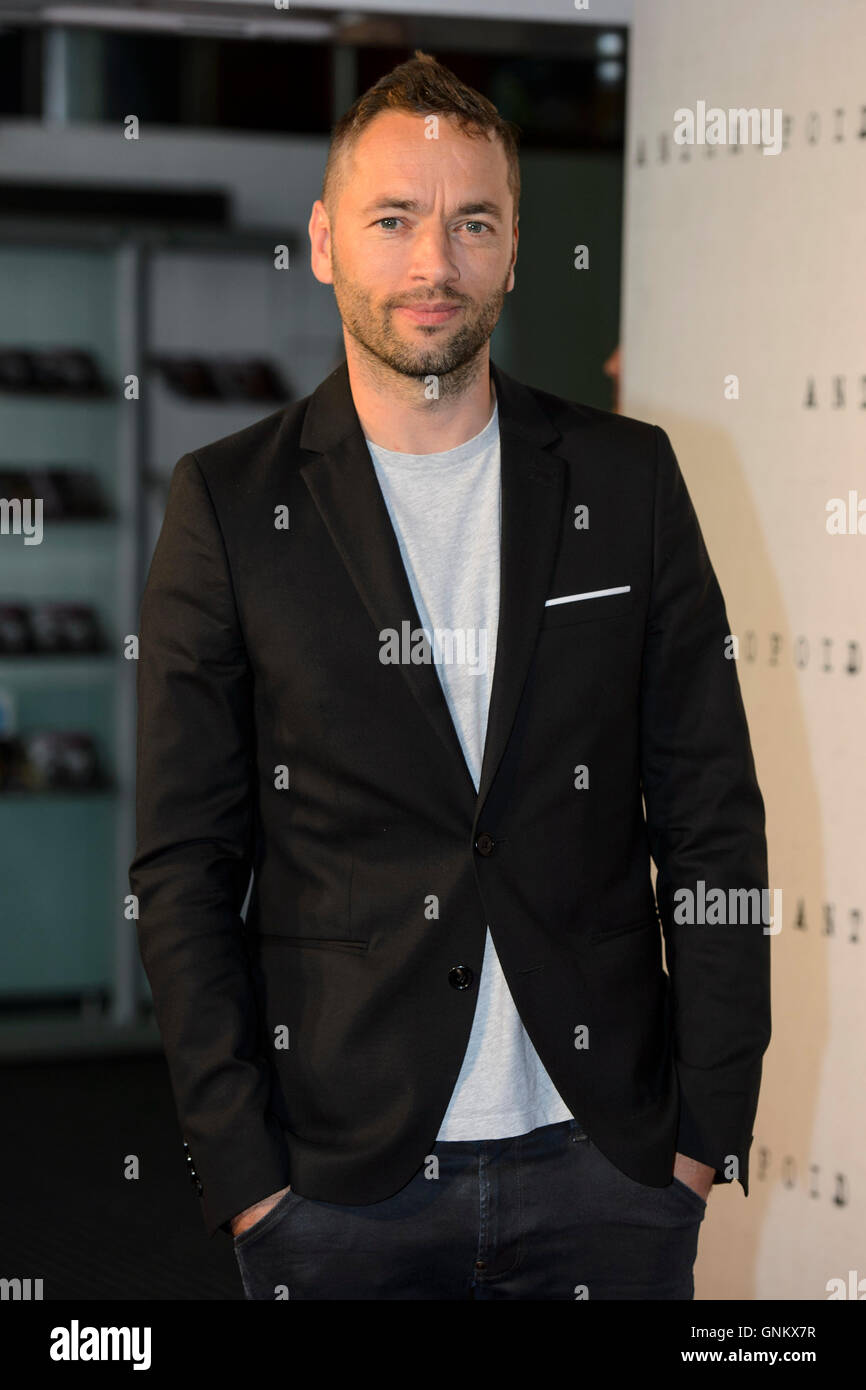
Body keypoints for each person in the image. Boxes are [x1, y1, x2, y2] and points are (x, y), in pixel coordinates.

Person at [130, 51, 771, 1301]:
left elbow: (711, 825)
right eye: (393, 220)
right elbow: (182, 861)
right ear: (323, 242)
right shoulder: (227, 503)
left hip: (609, 1168)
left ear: (514, 246)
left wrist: (703, 1131)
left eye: (471, 222)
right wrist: (243, 1172)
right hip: (334, 1185)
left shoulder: (625, 480)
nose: (435, 261)